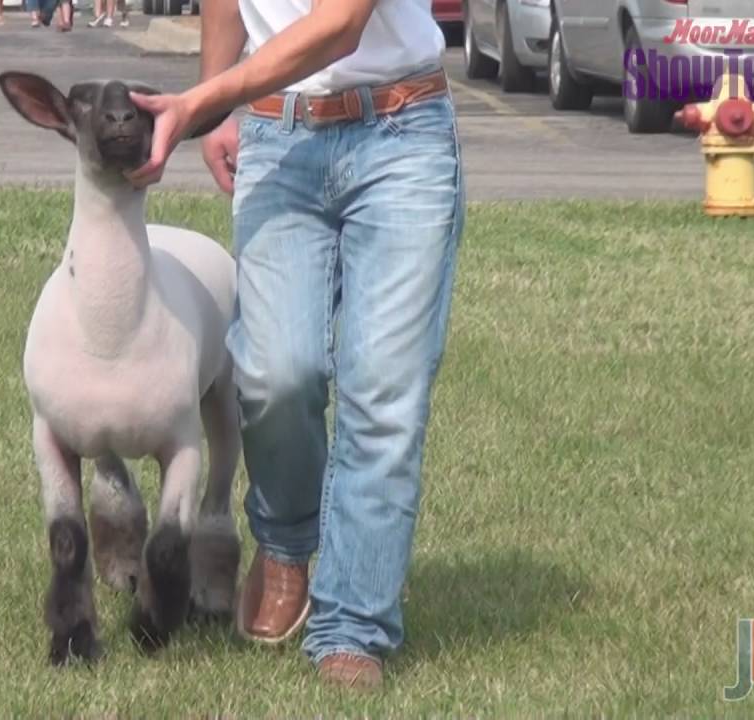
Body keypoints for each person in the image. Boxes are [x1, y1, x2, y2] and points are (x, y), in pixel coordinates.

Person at [126, 0, 464, 692]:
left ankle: (351, 624)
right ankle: (285, 544)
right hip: (279, 134)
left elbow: (341, 22)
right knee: (275, 371)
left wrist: (202, 100)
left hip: (403, 135)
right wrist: (221, 106)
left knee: (384, 391)